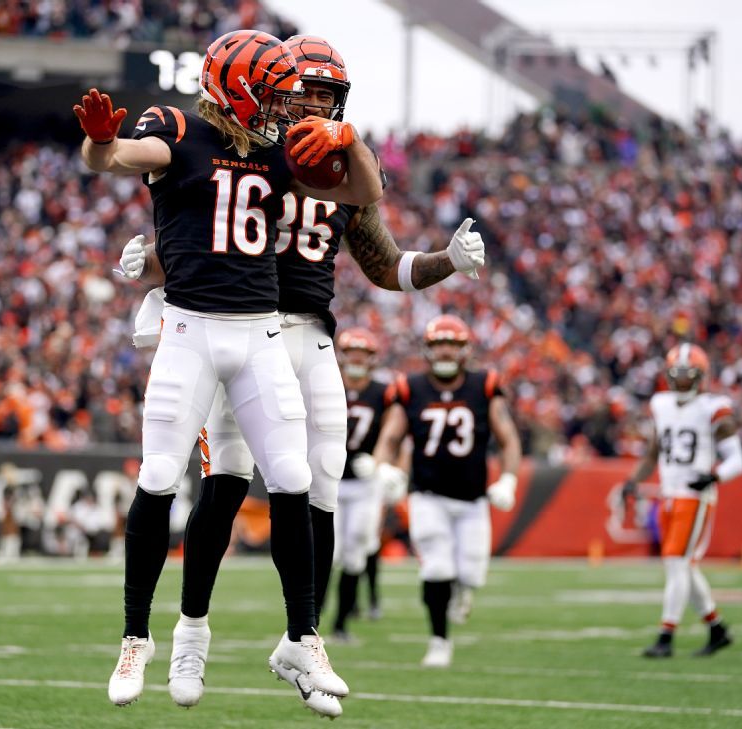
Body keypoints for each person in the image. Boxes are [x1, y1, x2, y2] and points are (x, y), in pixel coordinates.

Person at [113, 35, 485, 715]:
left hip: (308, 332)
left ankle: (301, 638)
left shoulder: (334, 158)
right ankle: (190, 628)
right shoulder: (252, 143)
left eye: (322, 93)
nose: (309, 102)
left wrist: (447, 262)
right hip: (238, 324)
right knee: (222, 481)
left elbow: (385, 265)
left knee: (319, 478)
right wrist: (158, 288)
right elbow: (197, 225)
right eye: (299, 88)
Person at [74, 29, 383, 708]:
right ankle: (135, 638)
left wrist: (349, 141)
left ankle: (303, 635)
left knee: (295, 478)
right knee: (159, 476)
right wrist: (100, 141)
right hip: (189, 330)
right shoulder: (179, 129)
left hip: (262, 331)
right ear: (238, 88)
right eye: (274, 94)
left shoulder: (275, 151)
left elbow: (363, 191)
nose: (286, 107)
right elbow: (121, 155)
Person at [370, 315, 523, 668]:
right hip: (428, 494)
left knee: (471, 574)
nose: (445, 350)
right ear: (427, 348)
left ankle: (462, 590)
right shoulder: (410, 387)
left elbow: (508, 437)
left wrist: (509, 478)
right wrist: (384, 468)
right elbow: (390, 437)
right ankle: (439, 641)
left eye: (452, 343)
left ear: (465, 349)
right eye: (439, 343)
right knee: (437, 567)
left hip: (472, 498)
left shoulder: (485, 384)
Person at [620, 344, 742, 658]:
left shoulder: (713, 408)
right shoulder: (661, 404)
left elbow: (737, 460)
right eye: (676, 375)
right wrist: (633, 481)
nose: (682, 381)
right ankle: (717, 630)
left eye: (688, 376)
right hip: (669, 494)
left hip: (695, 496)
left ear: (701, 377)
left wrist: (713, 477)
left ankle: (666, 636)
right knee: (683, 568)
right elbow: (653, 451)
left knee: (676, 564)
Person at [329, 328, 396, 642]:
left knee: (357, 548)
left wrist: (381, 464)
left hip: (365, 482)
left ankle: (341, 623)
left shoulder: (384, 392)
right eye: (351, 353)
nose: (356, 360)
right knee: (327, 552)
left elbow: (394, 433)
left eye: (362, 354)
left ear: (372, 359)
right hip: (329, 478)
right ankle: (310, 622)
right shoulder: (325, 384)